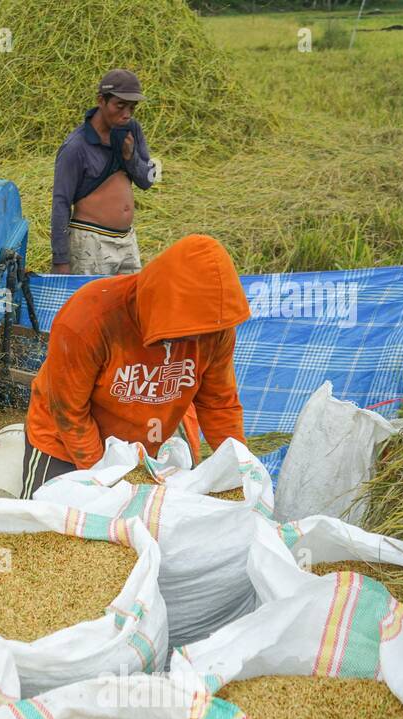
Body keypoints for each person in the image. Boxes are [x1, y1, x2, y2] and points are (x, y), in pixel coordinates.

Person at [22, 234, 250, 497]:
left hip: (150, 446)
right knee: (47, 520)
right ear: (161, 307)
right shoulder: (89, 319)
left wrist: (239, 472)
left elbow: (219, 404)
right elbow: (70, 412)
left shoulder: (215, 331)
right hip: (65, 441)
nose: (197, 341)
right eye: (188, 334)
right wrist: (103, 478)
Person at [51, 69, 154, 276]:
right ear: (101, 100)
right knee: (92, 305)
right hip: (90, 242)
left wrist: (130, 157)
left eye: (132, 108)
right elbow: (60, 202)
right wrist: (61, 259)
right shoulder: (76, 146)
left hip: (127, 241)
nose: (127, 114)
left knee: (130, 303)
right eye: (120, 106)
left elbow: (148, 180)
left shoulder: (132, 130)